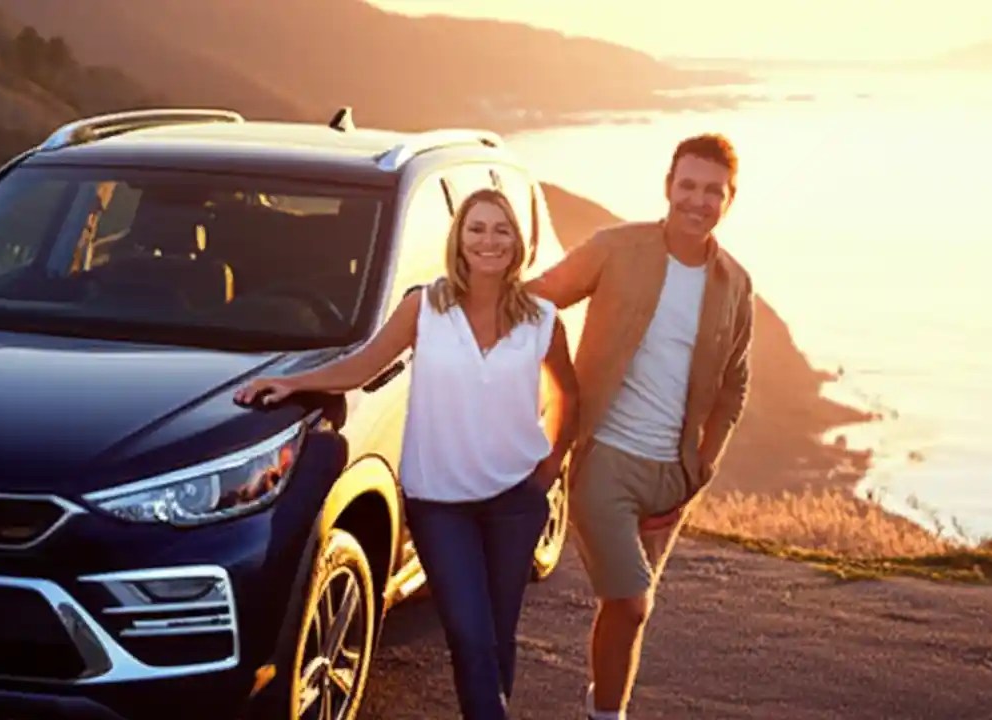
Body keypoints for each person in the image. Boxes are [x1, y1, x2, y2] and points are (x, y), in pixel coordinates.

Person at [236, 188, 579, 720]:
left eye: (501, 230)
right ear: (459, 240)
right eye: (477, 229)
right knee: (468, 632)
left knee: (496, 634)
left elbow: (566, 394)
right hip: (440, 504)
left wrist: (549, 469)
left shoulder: (541, 319)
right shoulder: (427, 306)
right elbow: (363, 366)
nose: (489, 241)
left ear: (517, 243)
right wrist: (289, 383)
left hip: (515, 500)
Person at [525, 133, 754, 720]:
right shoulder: (615, 248)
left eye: (712, 191)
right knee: (632, 603)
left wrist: (704, 464)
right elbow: (537, 301)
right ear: (668, 187)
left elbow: (734, 385)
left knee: (627, 611)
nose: (698, 201)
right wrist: (562, 388)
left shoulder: (735, 284)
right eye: (688, 186)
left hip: (674, 473)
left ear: (729, 199)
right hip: (605, 458)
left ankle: (605, 707)